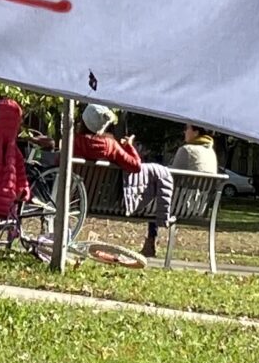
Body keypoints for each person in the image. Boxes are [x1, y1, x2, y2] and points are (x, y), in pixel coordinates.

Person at [71, 102, 180, 258]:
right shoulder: (110, 146)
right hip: (105, 203)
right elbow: (136, 166)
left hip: (75, 199)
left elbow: (57, 162)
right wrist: (129, 146)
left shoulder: (73, 143)